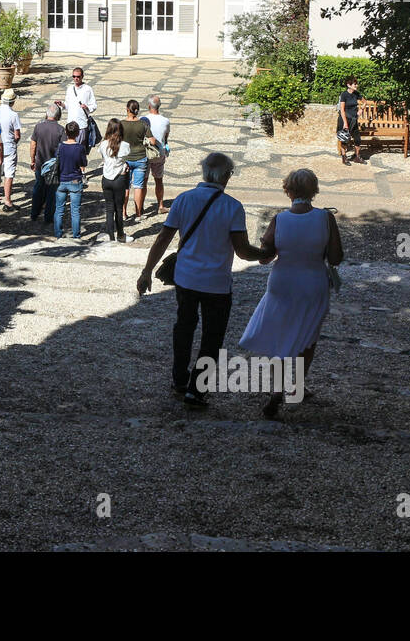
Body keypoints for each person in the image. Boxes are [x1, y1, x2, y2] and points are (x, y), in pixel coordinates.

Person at [136, 152, 271, 407]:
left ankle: (178, 379)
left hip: (186, 278)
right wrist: (268, 253)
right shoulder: (232, 207)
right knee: (212, 337)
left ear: (204, 172)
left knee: (184, 327)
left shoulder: (184, 200)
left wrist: (146, 271)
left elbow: (163, 238)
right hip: (217, 283)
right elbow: (243, 251)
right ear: (227, 176)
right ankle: (197, 390)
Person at [239, 169, 344, 418]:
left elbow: (265, 258)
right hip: (312, 283)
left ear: (288, 190)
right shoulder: (325, 218)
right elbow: (335, 257)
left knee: (280, 334)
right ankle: (297, 385)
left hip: (282, 283)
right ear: (314, 191)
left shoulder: (280, 220)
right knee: (307, 335)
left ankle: (277, 390)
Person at [29, 103, 65, 224]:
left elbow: (33, 144)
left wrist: (32, 160)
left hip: (40, 163)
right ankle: (48, 217)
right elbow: (63, 149)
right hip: (53, 166)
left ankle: (34, 213)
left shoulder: (38, 127)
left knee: (38, 188)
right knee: (51, 192)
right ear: (58, 115)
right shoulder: (60, 130)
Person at [120, 99, 154, 220]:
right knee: (138, 187)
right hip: (141, 158)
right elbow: (153, 140)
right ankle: (138, 213)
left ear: (127, 109)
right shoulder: (143, 124)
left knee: (125, 187)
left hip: (126, 159)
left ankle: (123, 213)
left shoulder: (121, 124)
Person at [98, 118, 131, 242]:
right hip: (119, 179)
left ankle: (111, 236)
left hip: (106, 178)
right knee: (119, 208)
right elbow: (124, 160)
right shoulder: (125, 146)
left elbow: (104, 159)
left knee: (109, 209)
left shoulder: (103, 145)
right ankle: (121, 234)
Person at [53, 121, 88, 240]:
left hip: (61, 180)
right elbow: (84, 163)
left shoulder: (60, 147)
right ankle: (76, 235)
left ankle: (58, 234)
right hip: (74, 181)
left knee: (59, 210)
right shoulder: (79, 148)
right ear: (78, 133)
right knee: (75, 211)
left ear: (66, 132)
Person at [0, 88, 23, 211]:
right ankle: (8, 200)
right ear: (13, 101)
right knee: (9, 174)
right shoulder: (14, 115)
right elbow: (17, 135)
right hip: (9, 147)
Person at [141, 96, 172, 213]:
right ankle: (160, 205)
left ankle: (141, 206)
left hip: (145, 153)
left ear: (149, 106)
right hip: (159, 153)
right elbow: (166, 137)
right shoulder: (165, 121)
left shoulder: (143, 119)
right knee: (158, 180)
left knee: (143, 181)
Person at [63, 67, 97, 151]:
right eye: (74, 76)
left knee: (80, 150)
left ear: (82, 76)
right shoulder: (69, 89)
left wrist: (87, 107)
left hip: (81, 125)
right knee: (69, 149)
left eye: (78, 76)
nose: (76, 78)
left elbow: (94, 105)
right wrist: (62, 105)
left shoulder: (88, 89)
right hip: (70, 125)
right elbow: (67, 105)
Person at [337, 76, 366, 166]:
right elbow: (342, 110)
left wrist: (361, 109)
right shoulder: (344, 95)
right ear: (348, 85)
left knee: (357, 139)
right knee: (345, 139)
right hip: (344, 119)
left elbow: (365, 101)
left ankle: (357, 156)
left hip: (354, 119)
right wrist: (345, 123)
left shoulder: (356, 94)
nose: (356, 85)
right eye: (354, 84)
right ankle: (344, 157)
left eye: (356, 83)